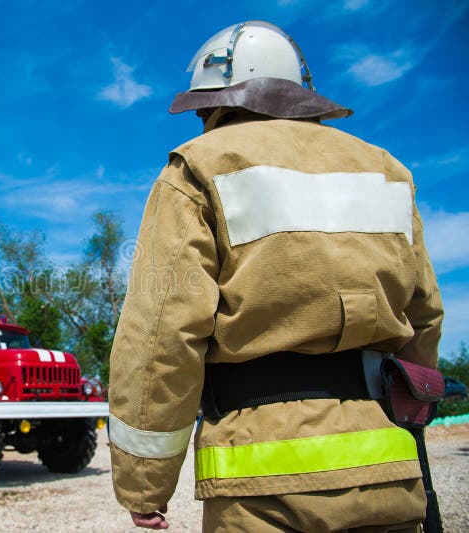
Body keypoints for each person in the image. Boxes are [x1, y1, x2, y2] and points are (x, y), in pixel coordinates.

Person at [108, 20, 443, 531]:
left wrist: (144, 482)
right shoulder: (388, 172)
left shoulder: (197, 168)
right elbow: (424, 319)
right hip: (385, 470)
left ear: (218, 101)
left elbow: (160, 336)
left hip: (259, 483)